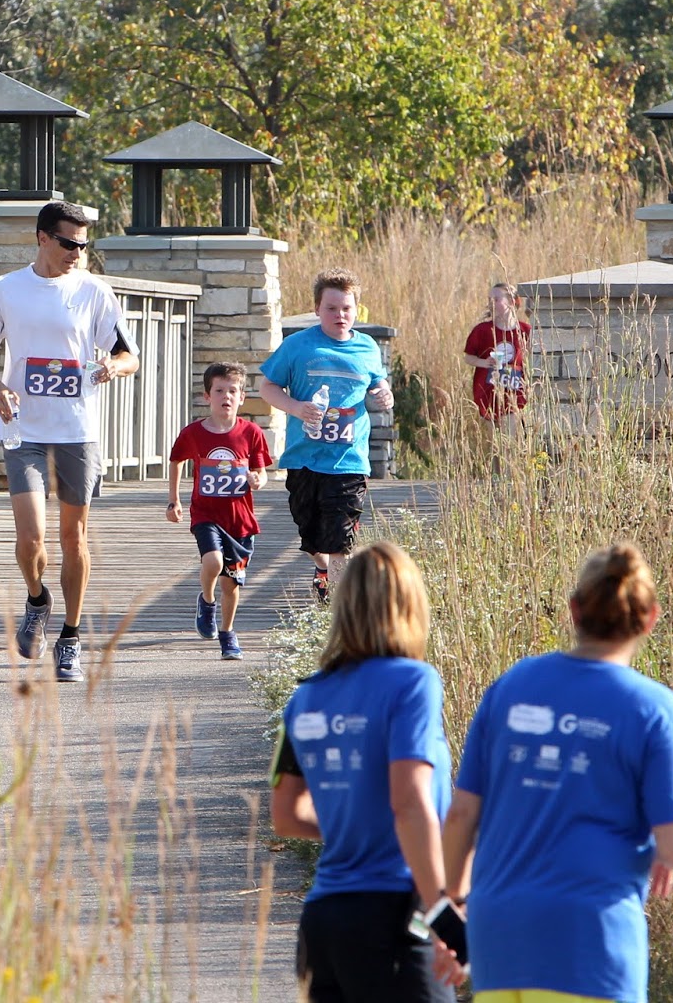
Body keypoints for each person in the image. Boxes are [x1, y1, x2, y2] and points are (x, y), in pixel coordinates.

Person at [437, 542, 673, 1003]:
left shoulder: (513, 686)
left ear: (574, 610)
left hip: (500, 937)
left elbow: (461, 814)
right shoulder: (651, 708)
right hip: (591, 945)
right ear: (650, 618)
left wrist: (450, 916)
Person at [269, 541, 456, 1003]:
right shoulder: (414, 682)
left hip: (324, 925)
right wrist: (444, 916)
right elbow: (410, 804)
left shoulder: (306, 698)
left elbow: (286, 815)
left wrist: (354, 824)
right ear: (411, 606)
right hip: (397, 917)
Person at [0, 200, 140, 683]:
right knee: (30, 540)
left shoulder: (94, 291)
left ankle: (70, 636)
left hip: (76, 430)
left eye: (84, 246)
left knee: (74, 538)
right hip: (22, 427)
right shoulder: (5, 290)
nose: (77, 253)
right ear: (43, 238)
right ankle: (38, 598)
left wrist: (112, 366)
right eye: (69, 243)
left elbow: (130, 355)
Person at [259, 269, 393, 603]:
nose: (340, 315)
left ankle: (337, 606)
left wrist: (383, 393)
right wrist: (296, 407)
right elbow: (267, 387)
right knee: (311, 535)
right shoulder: (297, 346)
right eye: (332, 308)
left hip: (348, 460)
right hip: (304, 457)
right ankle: (321, 569)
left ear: (356, 310)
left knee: (340, 541)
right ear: (318, 309)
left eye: (346, 308)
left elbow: (378, 381)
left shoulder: (367, 348)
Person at [165, 361, 272, 661]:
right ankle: (207, 601)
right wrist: (175, 500)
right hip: (206, 514)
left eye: (232, 391)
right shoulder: (195, 433)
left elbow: (261, 471)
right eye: (219, 390)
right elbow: (176, 461)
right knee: (211, 562)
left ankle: (227, 633)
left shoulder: (251, 433)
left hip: (239, 520)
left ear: (242, 397)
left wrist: (257, 480)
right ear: (206, 396)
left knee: (231, 583)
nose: (226, 396)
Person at [462, 283, 530, 431]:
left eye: (497, 299)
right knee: (494, 444)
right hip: (487, 393)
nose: (491, 303)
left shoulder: (525, 331)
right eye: (489, 299)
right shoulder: (482, 330)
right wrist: (484, 362)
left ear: (512, 302)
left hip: (515, 394)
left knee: (510, 439)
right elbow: (468, 357)